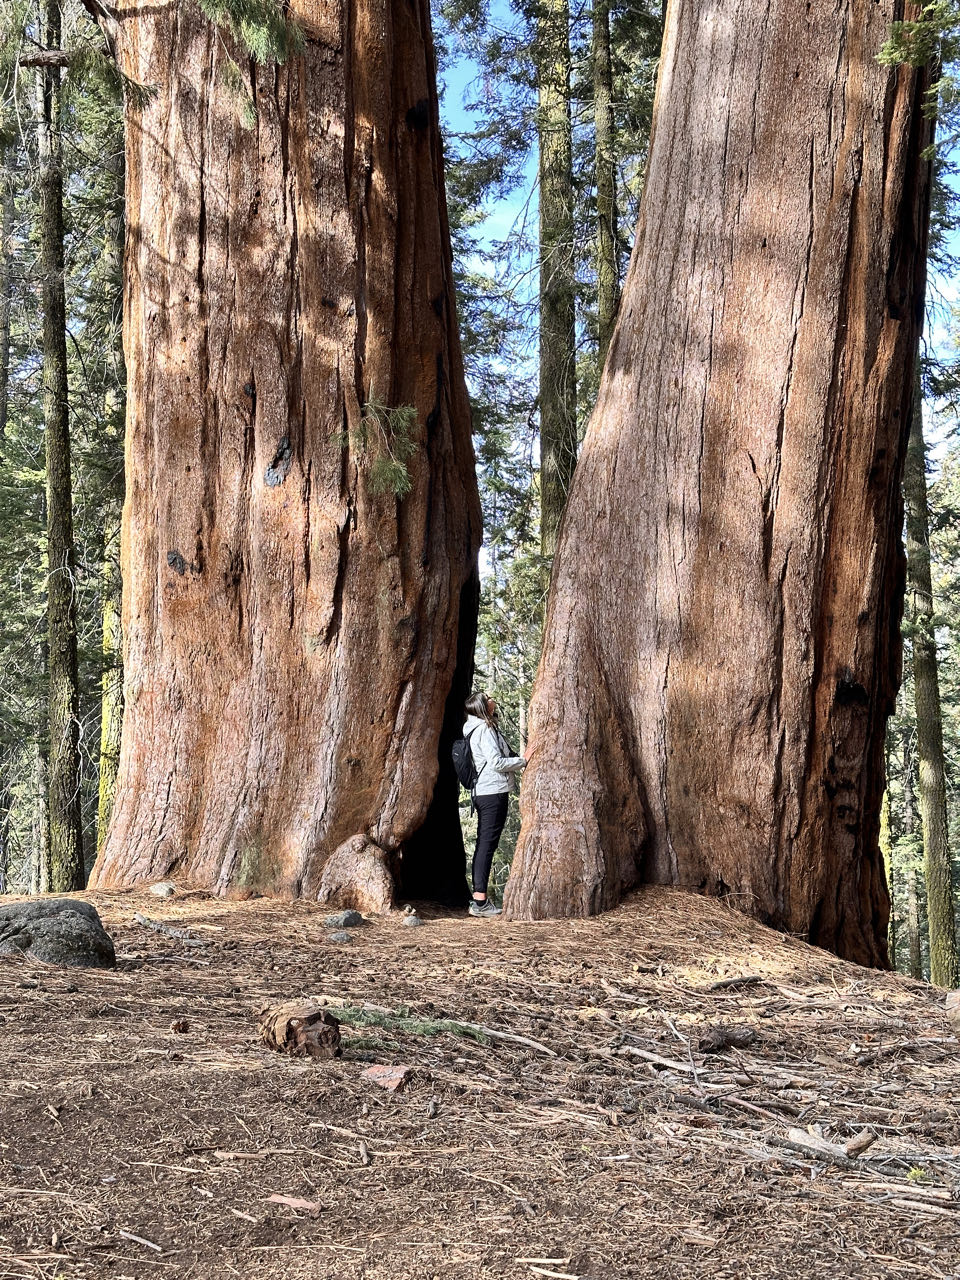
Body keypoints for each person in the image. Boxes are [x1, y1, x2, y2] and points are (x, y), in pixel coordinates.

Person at [462, 691, 527, 917]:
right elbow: (497, 762)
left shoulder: (473, 728)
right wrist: (524, 761)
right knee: (486, 845)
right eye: (488, 698)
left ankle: (479, 900)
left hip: (483, 792)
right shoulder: (485, 729)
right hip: (492, 791)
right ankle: (480, 902)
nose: (492, 700)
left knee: (484, 844)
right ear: (482, 706)